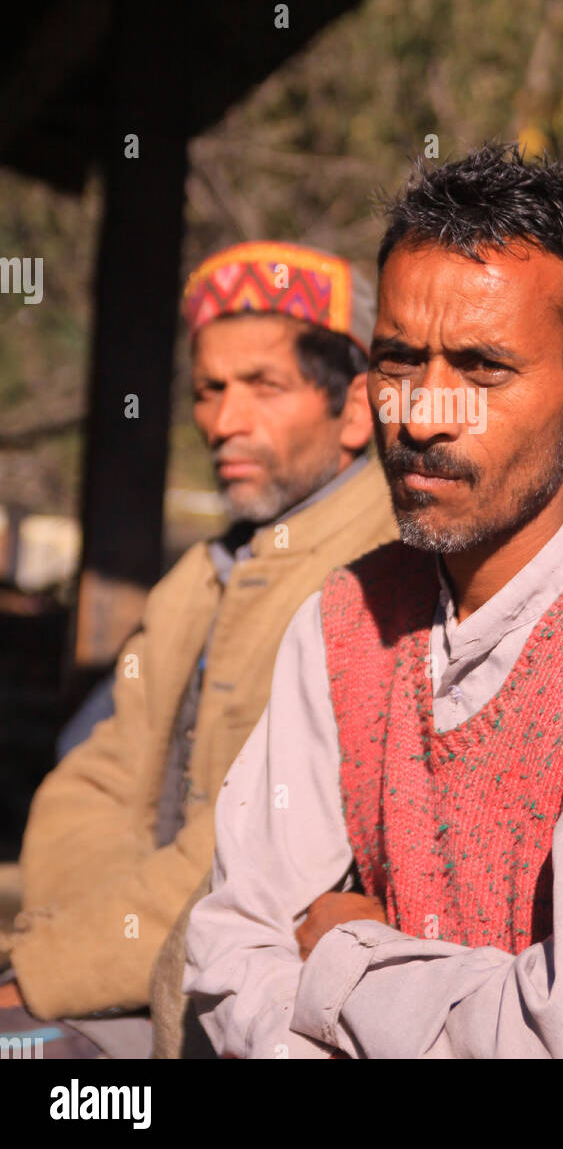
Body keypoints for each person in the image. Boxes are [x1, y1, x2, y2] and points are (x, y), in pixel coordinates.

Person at [184, 146, 563, 1060]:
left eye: (482, 369)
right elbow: (231, 952)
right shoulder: (347, 617)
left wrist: (350, 959)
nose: (425, 414)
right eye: (398, 360)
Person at [0, 240, 397, 1058]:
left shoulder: (379, 578)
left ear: (356, 408)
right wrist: (80, 955)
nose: (222, 421)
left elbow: (251, 850)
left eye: (263, 386)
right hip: (119, 970)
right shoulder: (202, 575)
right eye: (212, 390)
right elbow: (97, 774)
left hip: (253, 1009)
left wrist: (47, 971)